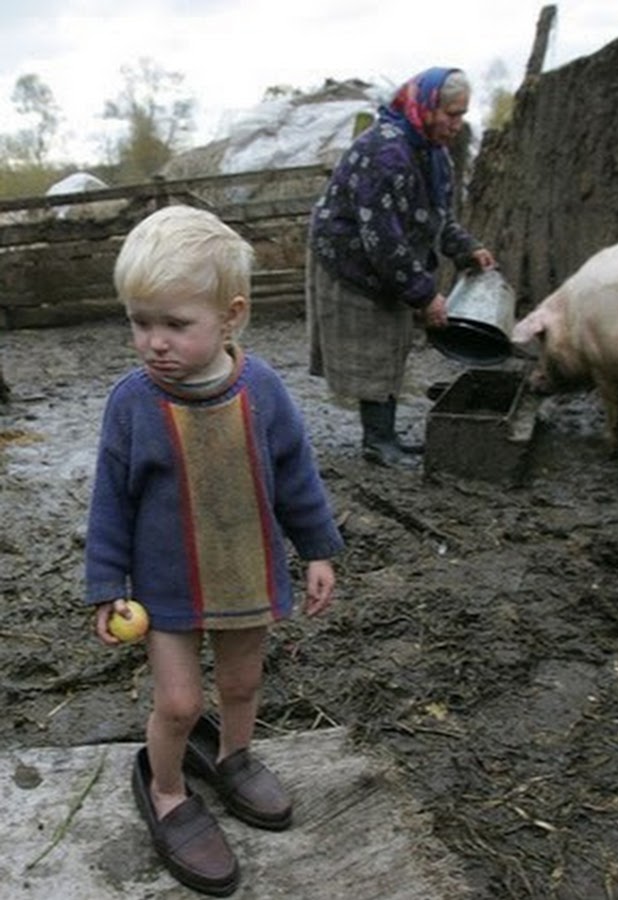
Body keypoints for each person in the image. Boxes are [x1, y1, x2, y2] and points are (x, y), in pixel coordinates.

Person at [84, 204, 344, 896]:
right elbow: (109, 501)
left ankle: (233, 755)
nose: (154, 343)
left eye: (175, 324)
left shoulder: (262, 391)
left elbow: (296, 477)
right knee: (176, 703)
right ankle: (167, 789)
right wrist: (108, 583)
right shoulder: (132, 404)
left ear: (230, 316)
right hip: (166, 588)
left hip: (246, 573)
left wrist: (318, 549)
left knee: (240, 685)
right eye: (140, 322)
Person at [307, 66, 496, 468]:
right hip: (352, 257)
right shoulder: (385, 152)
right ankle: (377, 441)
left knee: (394, 340)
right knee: (372, 341)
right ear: (426, 107)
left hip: (384, 256)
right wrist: (424, 294)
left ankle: (385, 435)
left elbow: (436, 217)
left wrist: (467, 248)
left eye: (462, 114)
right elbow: (383, 239)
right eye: (451, 114)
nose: (457, 123)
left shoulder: (433, 154)